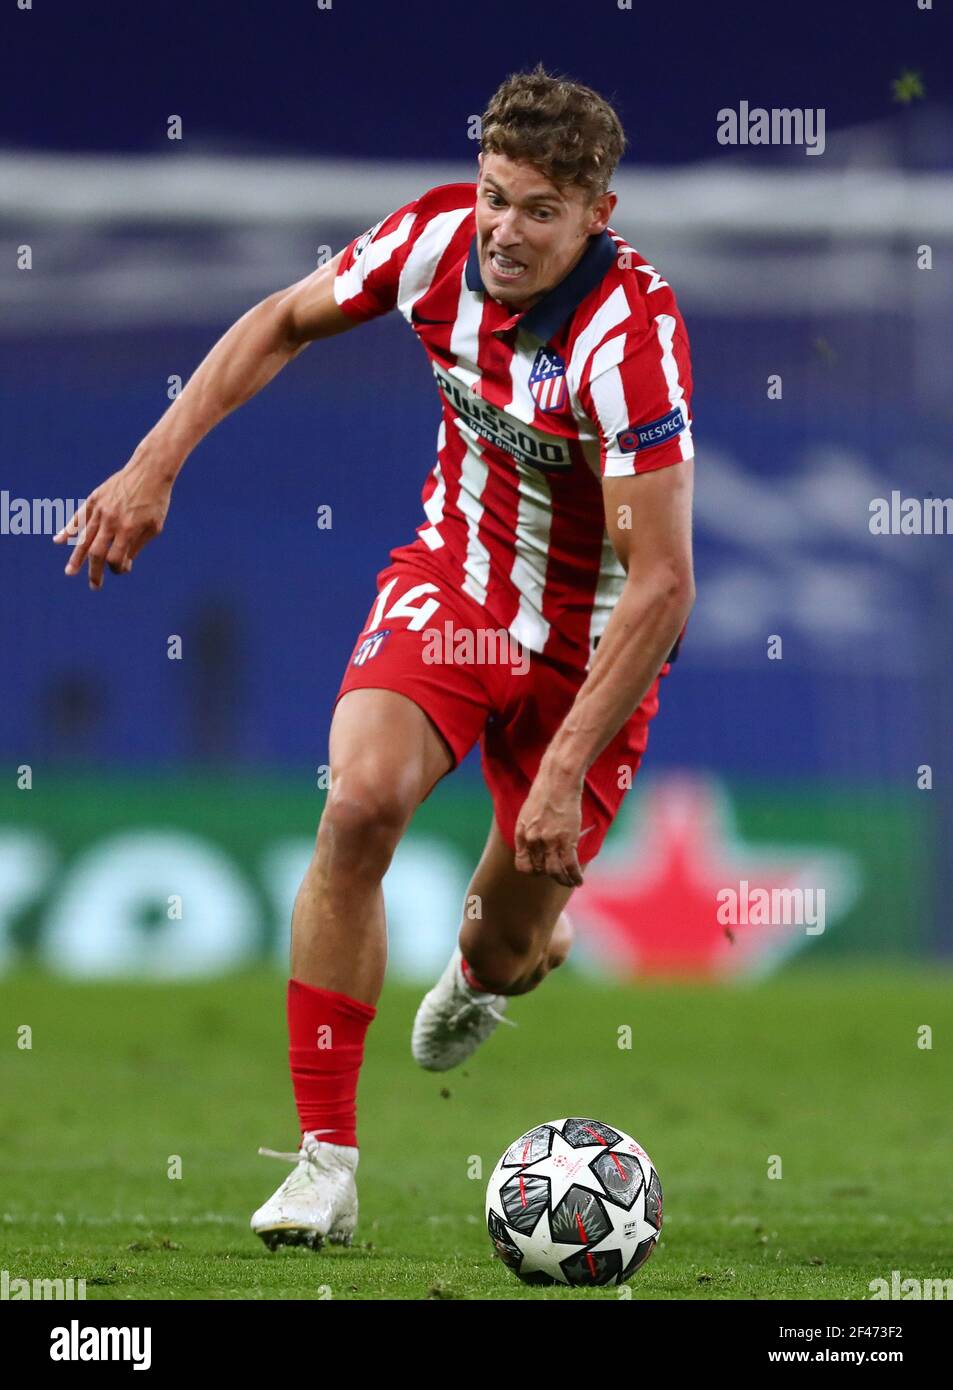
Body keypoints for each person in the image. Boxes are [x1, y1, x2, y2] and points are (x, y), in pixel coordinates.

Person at [54, 64, 695, 1251]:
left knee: (505, 953)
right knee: (357, 806)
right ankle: (323, 1167)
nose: (503, 230)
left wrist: (559, 770)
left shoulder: (633, 339)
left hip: (589, 651)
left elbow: (661, 582)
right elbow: (280, 320)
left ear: (597, 215)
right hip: (452, 590)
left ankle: (499, 956)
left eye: (539, 210)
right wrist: (154, 465)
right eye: (496, 195)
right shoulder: (434, 239)